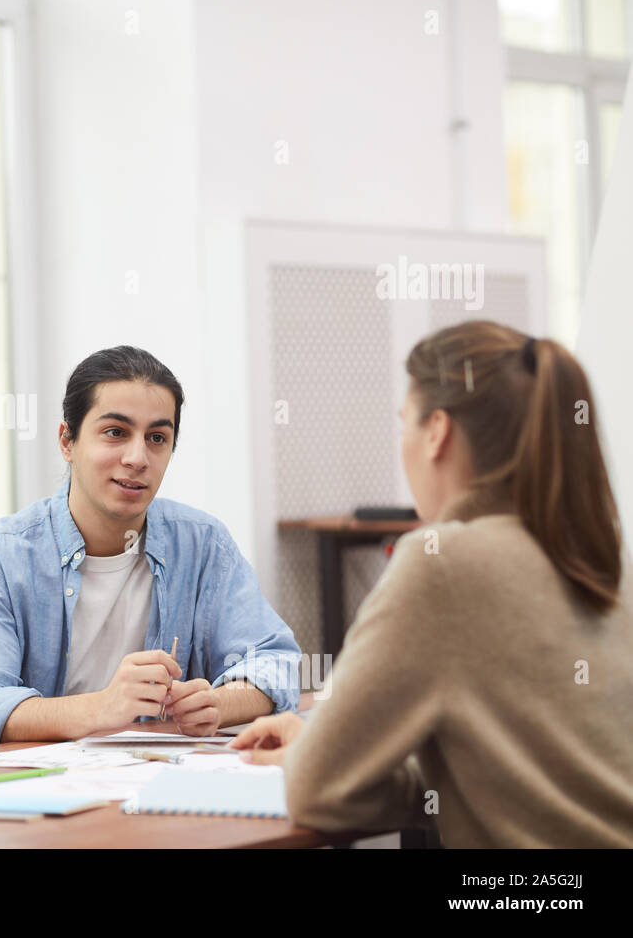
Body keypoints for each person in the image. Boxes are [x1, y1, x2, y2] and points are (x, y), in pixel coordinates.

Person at [232, 321, 633, 847]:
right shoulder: (599, 558)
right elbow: (539, 774)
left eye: (405, 425)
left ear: (437, 431)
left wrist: (312, 759)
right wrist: (317, 749)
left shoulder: (443, 563)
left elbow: (315, 791)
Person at [0, 346, 301, 749]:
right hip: (41, 794)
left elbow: (275, 662)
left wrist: (219, 703)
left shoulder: (203, 544)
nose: (137, 458)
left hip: (166, 785)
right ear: (67, 441)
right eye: (115, 433)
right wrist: (102, 708)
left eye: (157, 438)